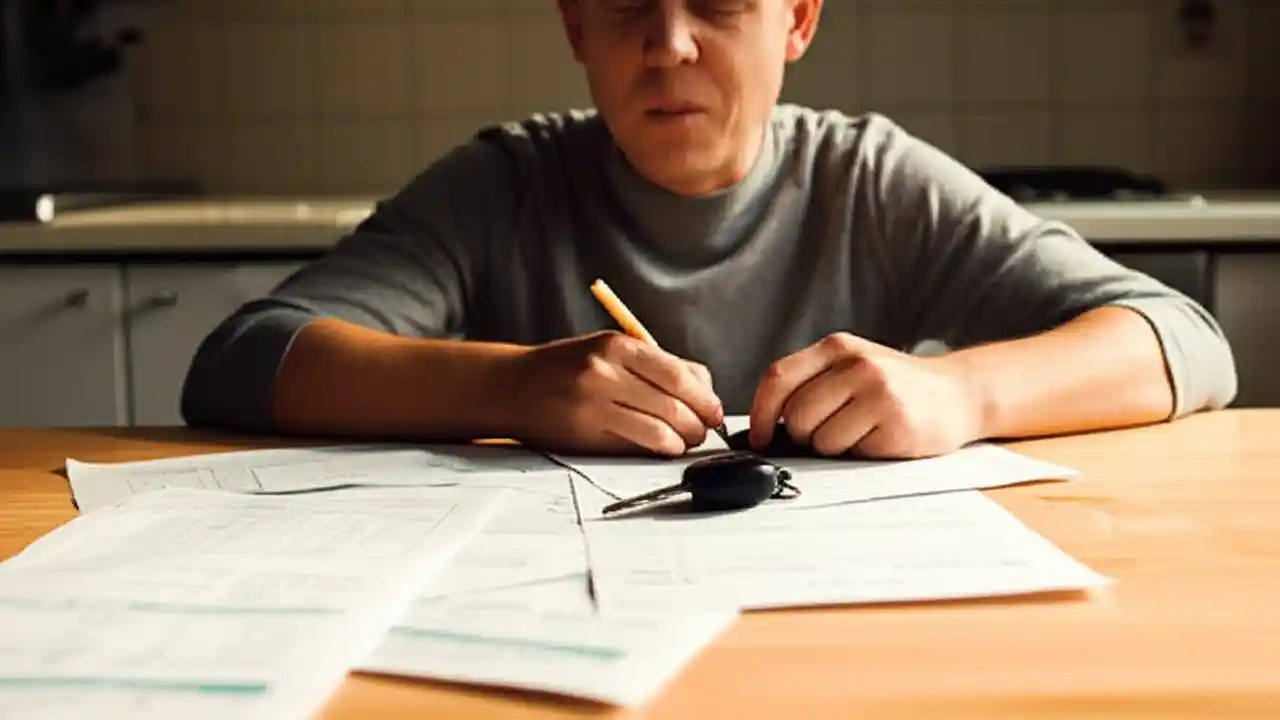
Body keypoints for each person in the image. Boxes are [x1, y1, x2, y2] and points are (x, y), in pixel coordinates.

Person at [181, 0, 1235, 459]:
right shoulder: (501, 187)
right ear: (574, 25)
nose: (668, 44)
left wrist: (958, 391)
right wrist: (508, 388)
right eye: (629, 4)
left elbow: (1181, 339)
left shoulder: (867, 181)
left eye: (720, 3)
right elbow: (240, 363)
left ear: (797, 20)